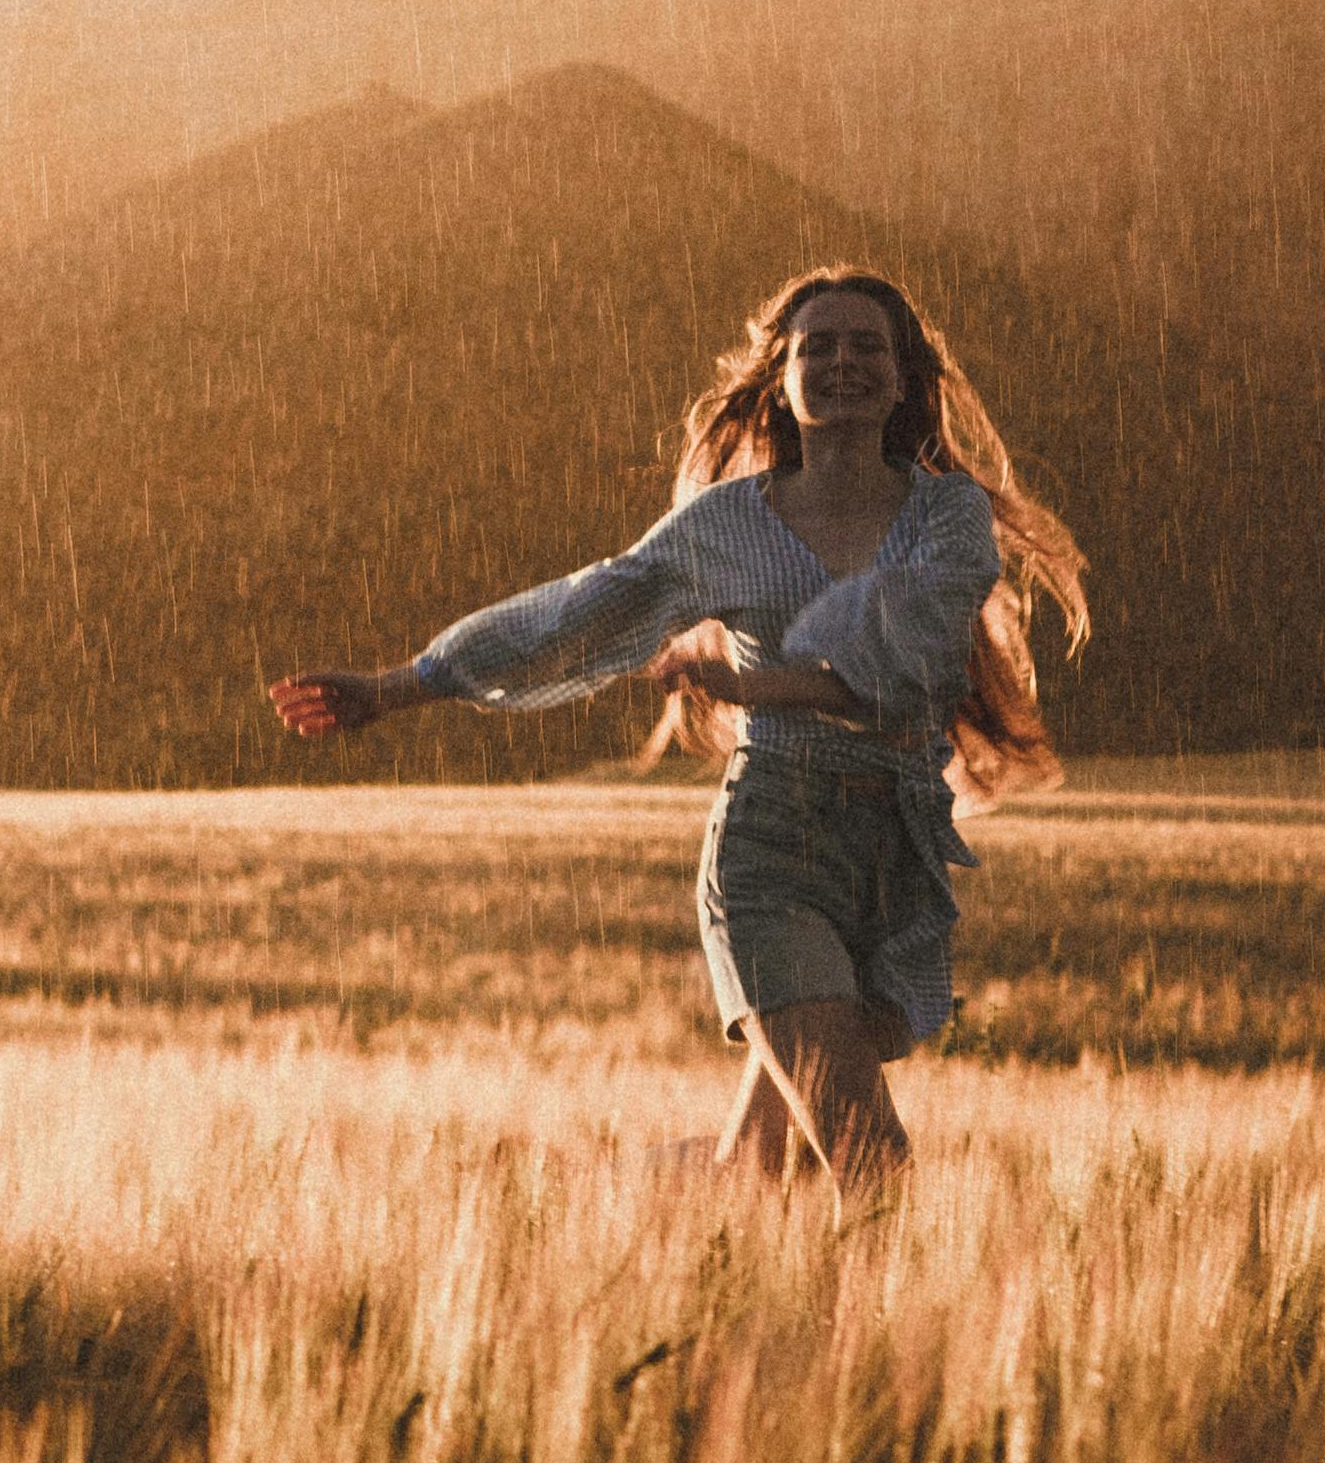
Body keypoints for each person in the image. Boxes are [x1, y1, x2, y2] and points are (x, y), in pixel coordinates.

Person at [266, 265, 1093, 1185]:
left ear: (906, 379)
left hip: (891, 853)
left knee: (762, 1166)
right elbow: (579, 613)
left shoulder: (947, 514)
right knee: (871, 1159)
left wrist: (753, 684)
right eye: (816, 346)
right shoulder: (726, 526)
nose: (843, 362)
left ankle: (574, 1206)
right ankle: (889, 1329)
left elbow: (908, 668)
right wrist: (403, 683)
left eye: (868, 345)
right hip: (773, 847)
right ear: (780, 377)